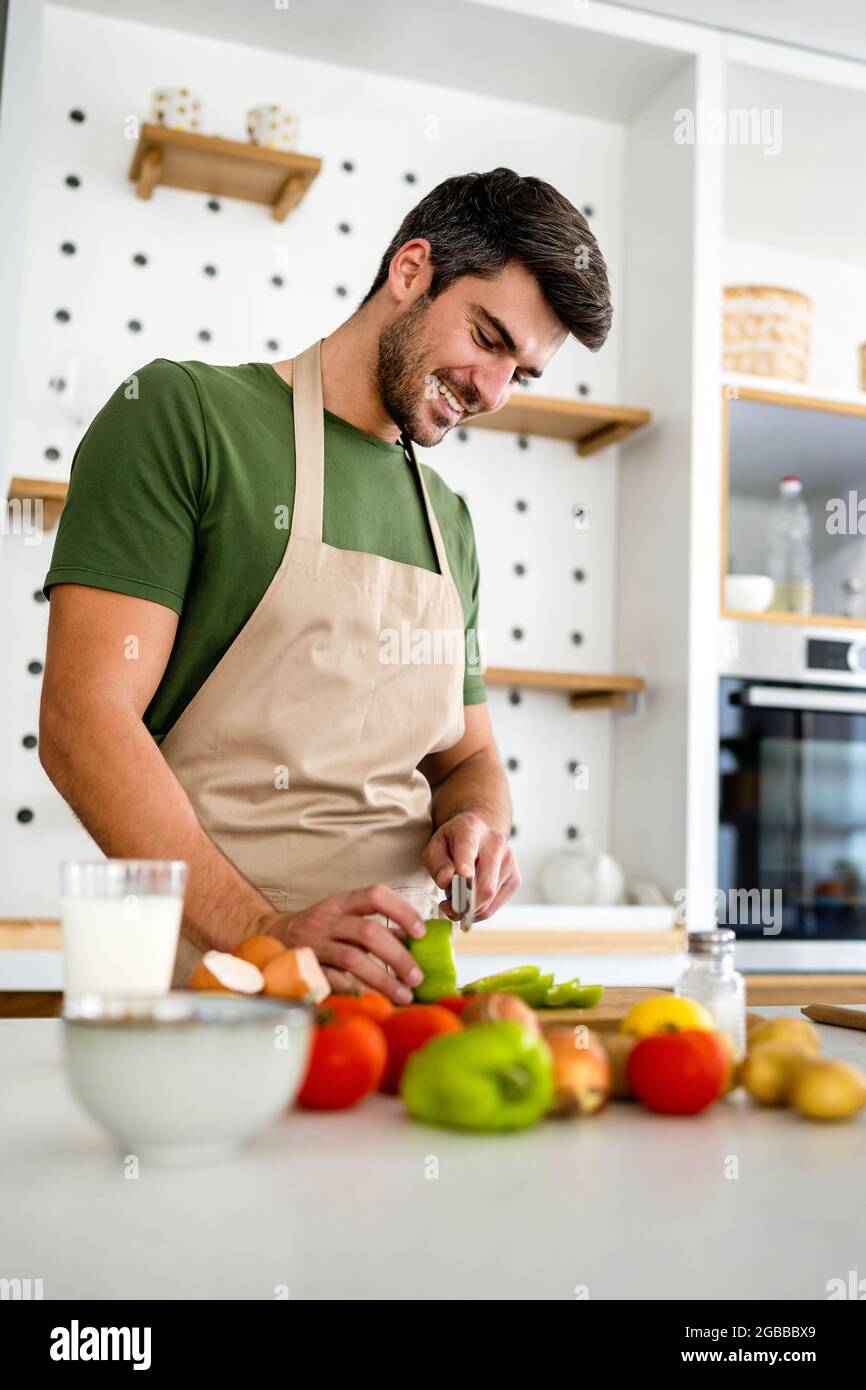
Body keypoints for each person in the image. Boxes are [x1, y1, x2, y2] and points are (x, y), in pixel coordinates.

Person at [39, 167, 612, 1001]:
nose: (491, 393)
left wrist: (475, 824)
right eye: (489, 339)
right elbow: (82, 718)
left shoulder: (448, 522)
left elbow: (471, 756)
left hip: (401, 1001)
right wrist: (266, 939)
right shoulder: (181, 414)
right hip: (219, 983)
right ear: (410, 271)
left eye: (521, 374)